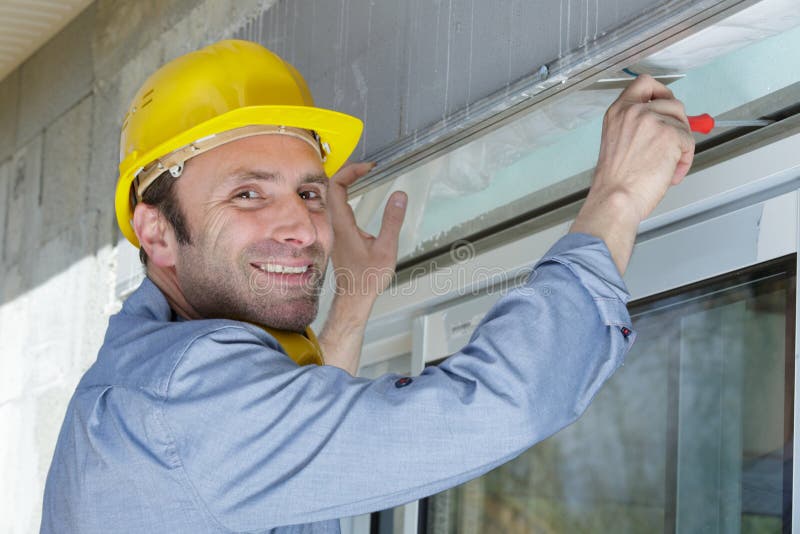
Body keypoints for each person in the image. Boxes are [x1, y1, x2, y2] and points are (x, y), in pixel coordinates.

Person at [40, 40, 694, 533]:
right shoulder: (183, 398)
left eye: (308, 191)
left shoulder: (139, 386)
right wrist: (616, 200)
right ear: (154, 233)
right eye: (247, 194)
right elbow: (502, 403)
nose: (301, 225)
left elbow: (296, 440)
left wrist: (349, 310)